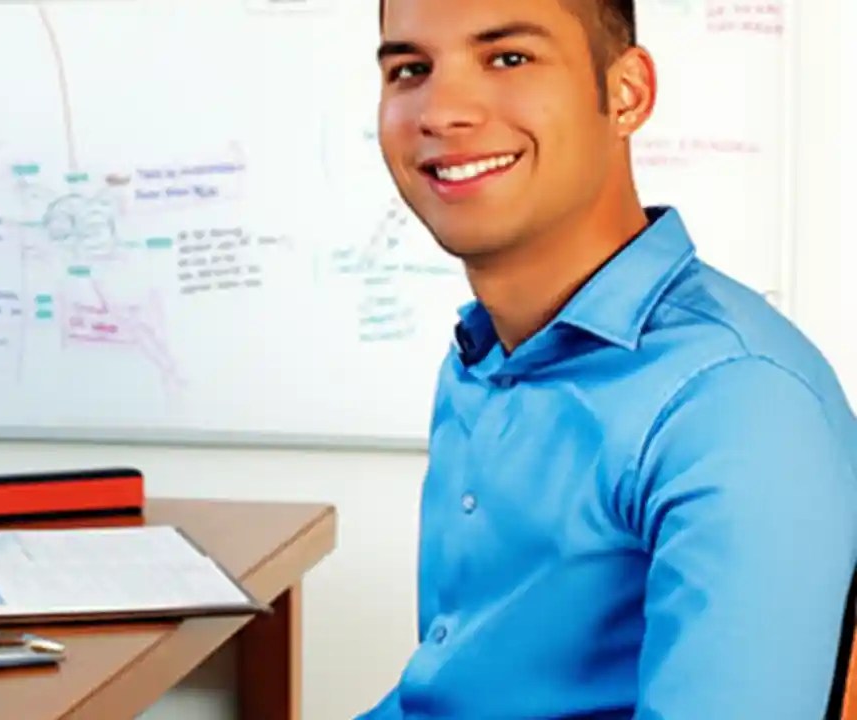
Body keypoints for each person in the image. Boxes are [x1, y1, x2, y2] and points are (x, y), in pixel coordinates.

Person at [358, 0, 857, 717]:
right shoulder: (486, 353)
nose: (442, 111)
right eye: (411, 70)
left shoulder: (735, 406)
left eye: (508, 57)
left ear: (627, 94)